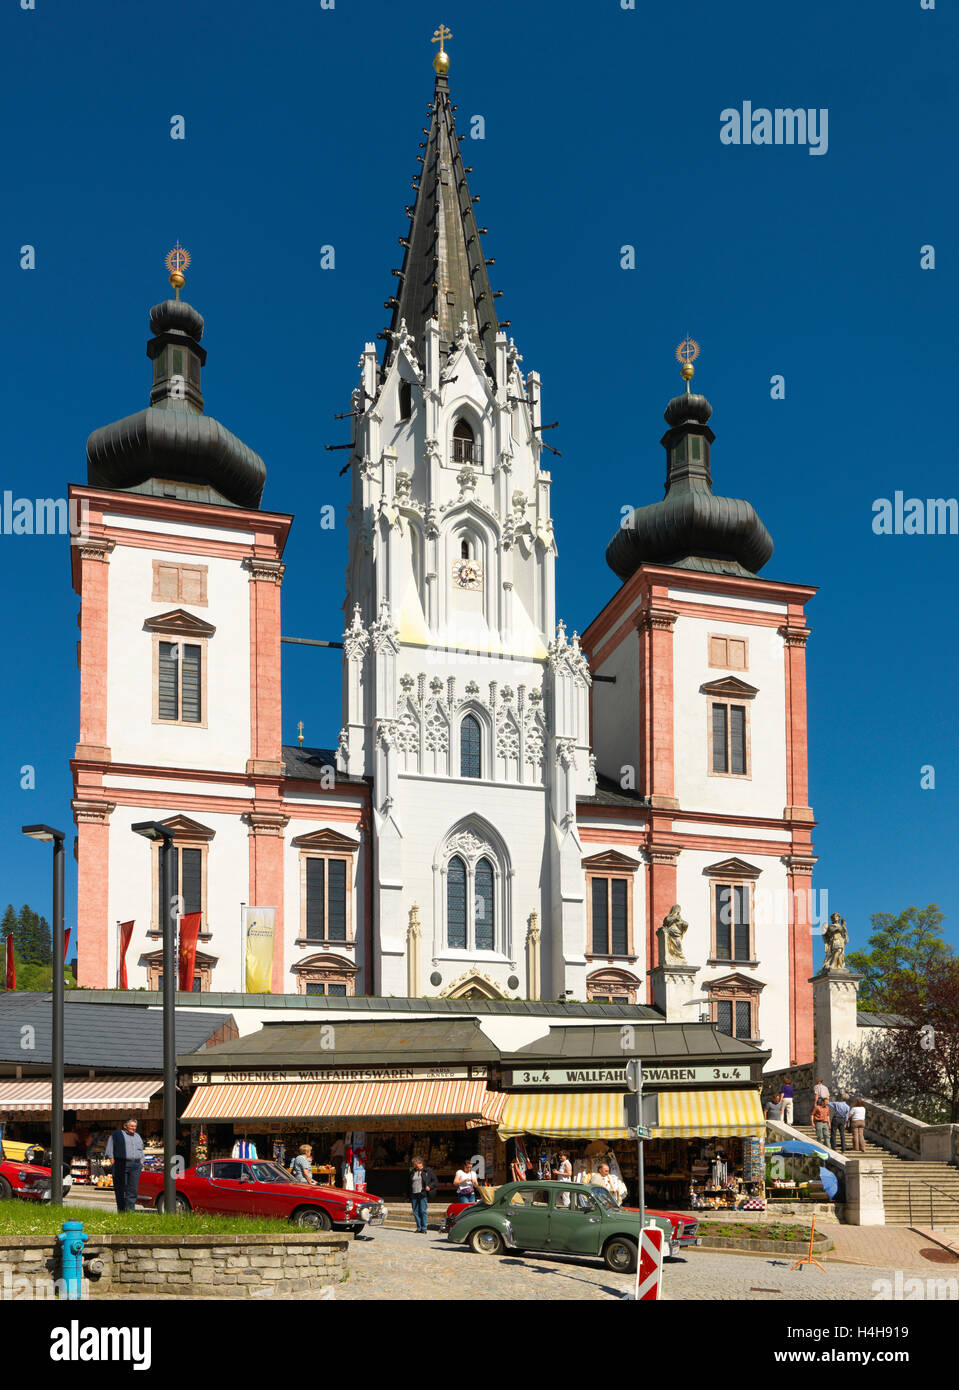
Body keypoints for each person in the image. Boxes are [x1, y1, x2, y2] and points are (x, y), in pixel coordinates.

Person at [103, 1116, 146, 1213]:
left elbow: (141, 1150)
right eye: (131, 1126)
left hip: (135, 1165)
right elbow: (109, 1150)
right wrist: (114, 1163)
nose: (134, 1128)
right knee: (121, 1189)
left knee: (133, 1190)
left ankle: (130, 1211)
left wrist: (141, 1161)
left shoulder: (138, 1136)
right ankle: (122, 1211)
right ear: (125, 1126)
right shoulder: (117, 1135)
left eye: (135, 1126)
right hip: (121, 1164)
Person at [408, 1156, 438, 1234]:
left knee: (423, 1211)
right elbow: (409, 1183)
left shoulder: (428, 1171)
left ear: (420, 1163)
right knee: (415, 1211)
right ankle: (419, 1227)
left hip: (423, 1193)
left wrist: (429, 1186)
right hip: (414, 1193)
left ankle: (424, 1228)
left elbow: (435, 1181)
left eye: (415, 1164)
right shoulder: (413, 1171)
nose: (414, 1165)